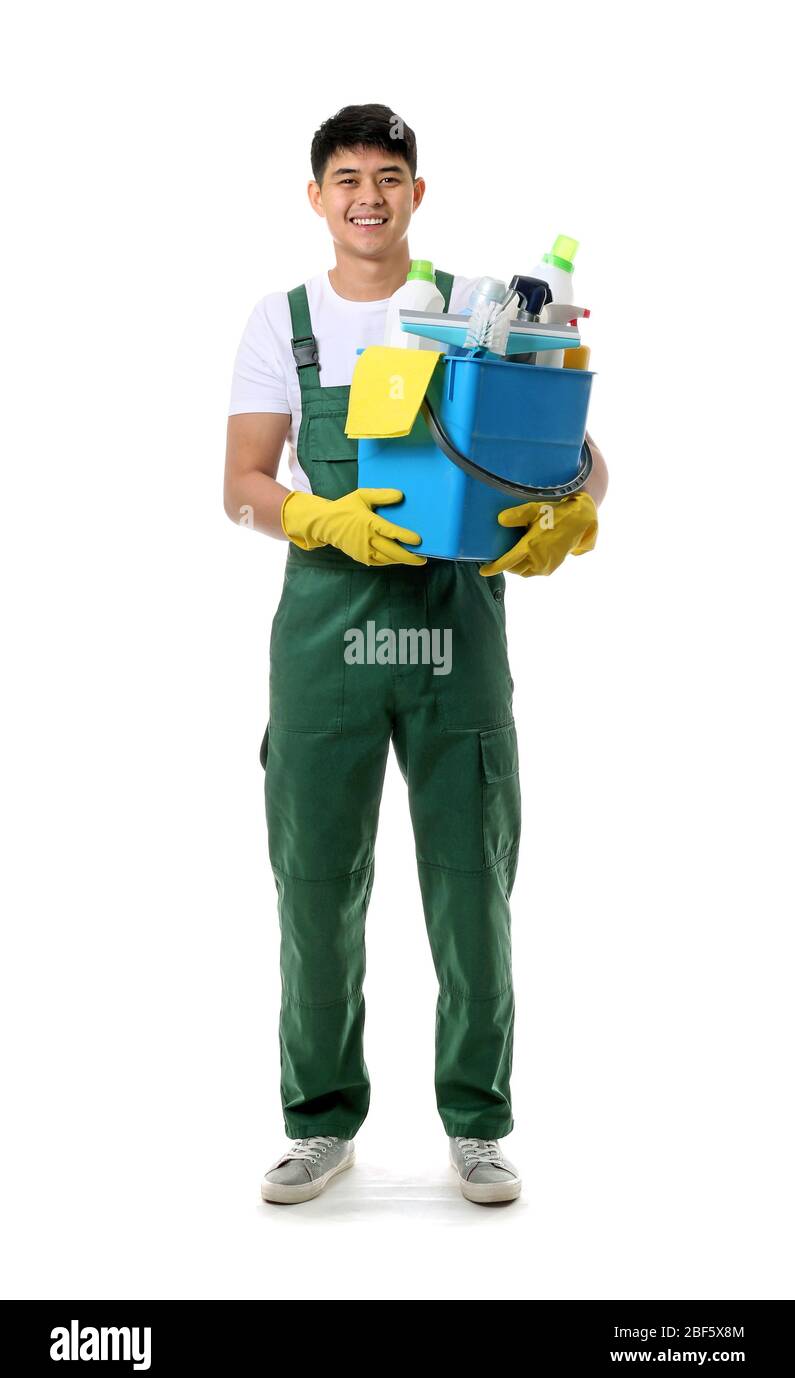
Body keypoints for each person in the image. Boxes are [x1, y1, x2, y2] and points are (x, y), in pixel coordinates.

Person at [224, 103, 608, 1207]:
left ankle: (478, 1124)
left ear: (416, 193)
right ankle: (320, 1121)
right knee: (314, 884)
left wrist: (571, 514)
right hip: (325, 639)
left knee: (473, 883)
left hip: (455, 635)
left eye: (388, 175)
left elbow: (572, 452)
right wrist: (318, 519)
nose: (367, 196)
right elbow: (242, 482)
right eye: (346, 177)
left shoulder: (481, 316)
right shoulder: (281, 321)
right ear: (317, 197)